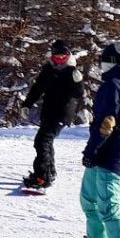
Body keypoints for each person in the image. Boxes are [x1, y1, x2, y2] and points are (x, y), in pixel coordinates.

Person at [59, 38, 120, 238]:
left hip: (113, 150)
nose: (101, 65)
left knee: (108, 204)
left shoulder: (114, 84)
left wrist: (91, 151)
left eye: (104, 60)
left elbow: (106, 123)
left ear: (113, 61)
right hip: (108, 148)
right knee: (89, 199)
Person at [21, 40, 85, 189]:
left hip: (62, 113)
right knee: (46, 142)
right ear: (52, 55)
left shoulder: (72, 71)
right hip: (48, 111)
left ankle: (42, 177)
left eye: (63, 55)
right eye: (57, 55)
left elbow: (78, 94)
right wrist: (26, 105)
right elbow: (37, 88)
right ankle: (49, 172)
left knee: (42, 141)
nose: (60, 58)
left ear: (68, 54)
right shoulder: (48, 69)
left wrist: (79, 82)